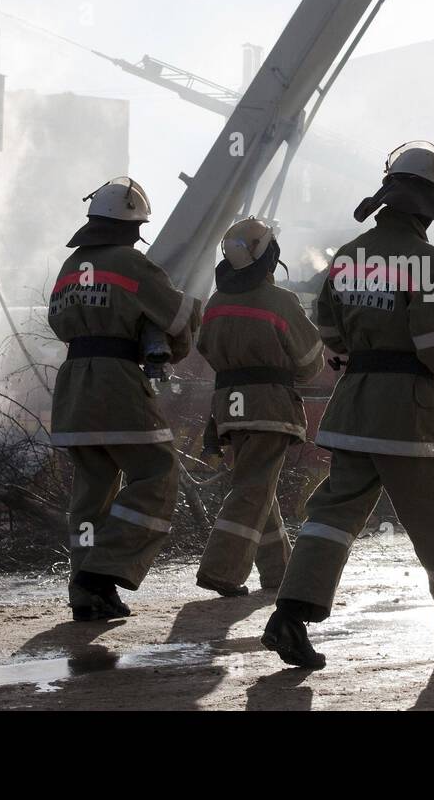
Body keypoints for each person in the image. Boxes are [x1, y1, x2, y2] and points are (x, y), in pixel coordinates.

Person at [261, 140, 434, 669]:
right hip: (410, 416)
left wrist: (358, 350)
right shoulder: (425, 261)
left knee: (332, 514)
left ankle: (289, 613)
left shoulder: (350, 254)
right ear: (433, 206)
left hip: (353, 407)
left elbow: (326, 325)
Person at [47, 177, 200, 621]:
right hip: (115, 381)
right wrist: (187, 320)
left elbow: (59, 323)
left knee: (91, 493)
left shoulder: (70, 267)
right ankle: (104, 571)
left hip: (74, 385)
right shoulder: (133, 265)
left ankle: (86, 593)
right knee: (157, 472)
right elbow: (176, 318)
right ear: (132, 226)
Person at [194, 217, 324, 597]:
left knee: (256, 484)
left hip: (229, 409)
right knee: (253, 487)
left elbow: (205, 348)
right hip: (269, 407)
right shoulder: (280, 301)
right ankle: (221, 569)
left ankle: (277, 571)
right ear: (270, 257)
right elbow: (310, 361)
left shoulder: (216, 303)